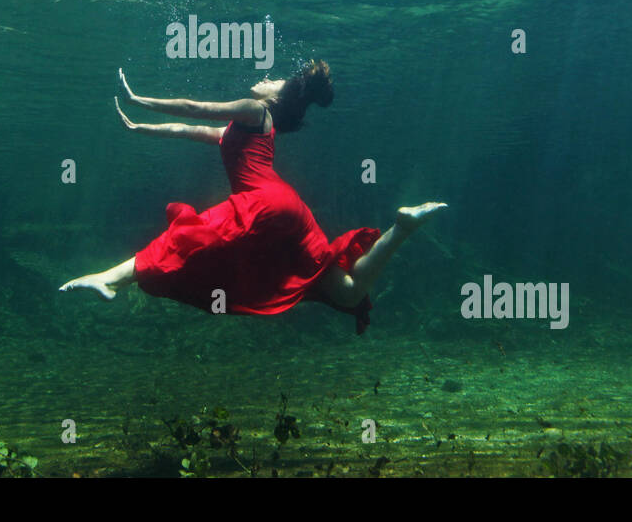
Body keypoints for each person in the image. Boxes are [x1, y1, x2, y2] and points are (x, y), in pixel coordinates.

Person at [59, 61, 445, 333]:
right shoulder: (248, 127)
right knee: (347, 293)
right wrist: (139, 126)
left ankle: (108, 279)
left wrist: (141, 98)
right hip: (291, 209)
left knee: (184, 239)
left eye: (274, 79)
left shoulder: (256, 111)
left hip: (264, 202)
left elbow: (195, 108)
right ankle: (403, 227)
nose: (265, 77)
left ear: (281, 94)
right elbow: (185, 128)